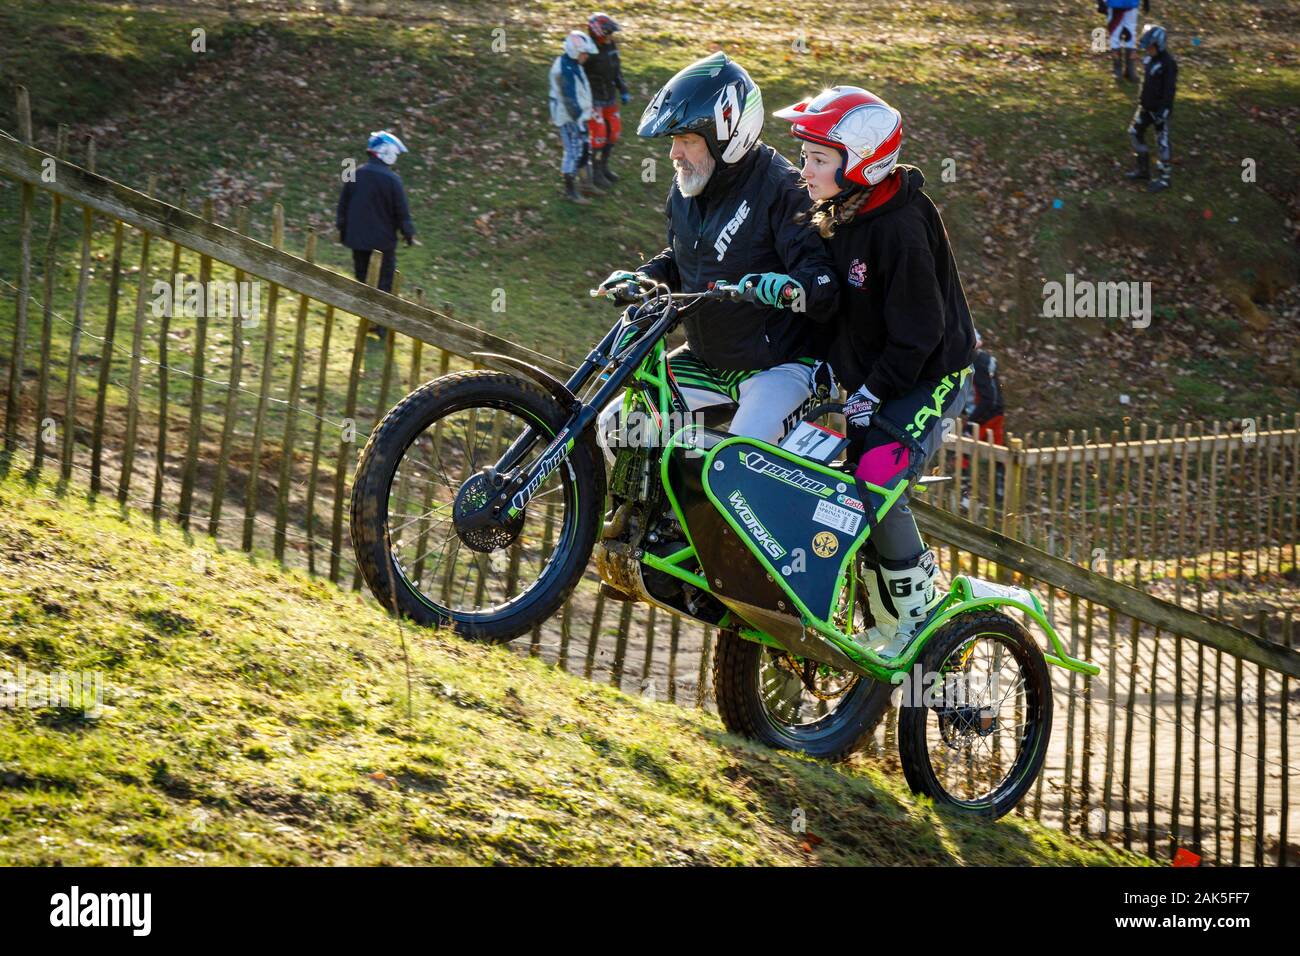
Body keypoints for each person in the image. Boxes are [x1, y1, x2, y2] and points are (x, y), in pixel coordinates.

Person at [773, 86, 977, 657]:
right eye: (806, 157)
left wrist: (870, 391)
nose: (805, 171)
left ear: (860, 161)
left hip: (927, 376)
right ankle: (875, 607)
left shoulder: (902, 224)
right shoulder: (836, 212)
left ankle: (922, 619)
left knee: (878, 479)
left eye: (818, 160)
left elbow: (920, 334)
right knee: (838, 487)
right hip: (871, 378)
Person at [594, 52, 839, 458]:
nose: (675, 154)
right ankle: (654, 521)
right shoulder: (688, 189)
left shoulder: (785, 189)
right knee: (620, 428)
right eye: (674, 141)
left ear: (728, 138)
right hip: (707, 362)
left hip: (779, 366)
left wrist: (789, 288)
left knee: (737, 460)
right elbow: (681, 260)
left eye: (687, 141)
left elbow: (823, 282)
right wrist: (642, 277)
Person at [336, 130, 415, 295]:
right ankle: (378, 320)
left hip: (357, 239)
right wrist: (408, 233)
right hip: (383, 243)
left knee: (362, 278)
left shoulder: (353, 173)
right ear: (387, 152)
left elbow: (343, 203)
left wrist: (342, 228)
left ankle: (365, 314)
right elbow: (401, 211)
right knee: (384, 283)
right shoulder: (393, 180)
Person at [549, 30, 599, 204]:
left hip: (579, 117)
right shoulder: (564, 68)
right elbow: (569, 99)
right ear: (574, 51)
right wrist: (579, 119)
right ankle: (570, 191)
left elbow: (581, 91)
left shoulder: (574, 64)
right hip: (569, 118)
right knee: (573, 152)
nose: (586, 57)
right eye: (584, 53)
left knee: (585, 148)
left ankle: (586, 184)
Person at [1125, 24, 1177, 193]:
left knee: (1162, 141)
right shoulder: (1149, 60)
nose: (1147, 49)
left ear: (1159, 45)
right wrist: (1142, 100)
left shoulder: (1168, 64)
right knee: (1134, 132)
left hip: (1160, 110)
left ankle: (1164, 178)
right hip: (1145, 108)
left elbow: (1169, 89)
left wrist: (1165, 109)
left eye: (1150, 47)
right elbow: (1146, 83)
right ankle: (1143, 169)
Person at [582, 12, 631, 190]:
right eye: (608, 33)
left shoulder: (611, 46)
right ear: (598, 32)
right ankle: (593, 172)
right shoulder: (587, 50)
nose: (611, 36)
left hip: (609, 96)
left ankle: (603, 167)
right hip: (593, 99)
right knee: (599, 135)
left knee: (614, 132)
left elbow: (617, 70)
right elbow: (577, 75)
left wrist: (623, 89)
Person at [965, 329, 1005, 445]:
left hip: (987, 415)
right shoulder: (981, 359)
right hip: (992, 412)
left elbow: (987, 398)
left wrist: (972, 421)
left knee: (963, 454)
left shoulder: (978, 364)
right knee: (996, 455)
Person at [1097, 0, 1149, 82]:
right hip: (1114, 4)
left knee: (1131, 34)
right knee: (1115, 34)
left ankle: (1130, 69)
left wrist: (1146, 2)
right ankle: (1117, 70)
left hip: (1131, 4)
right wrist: (1100, 2)